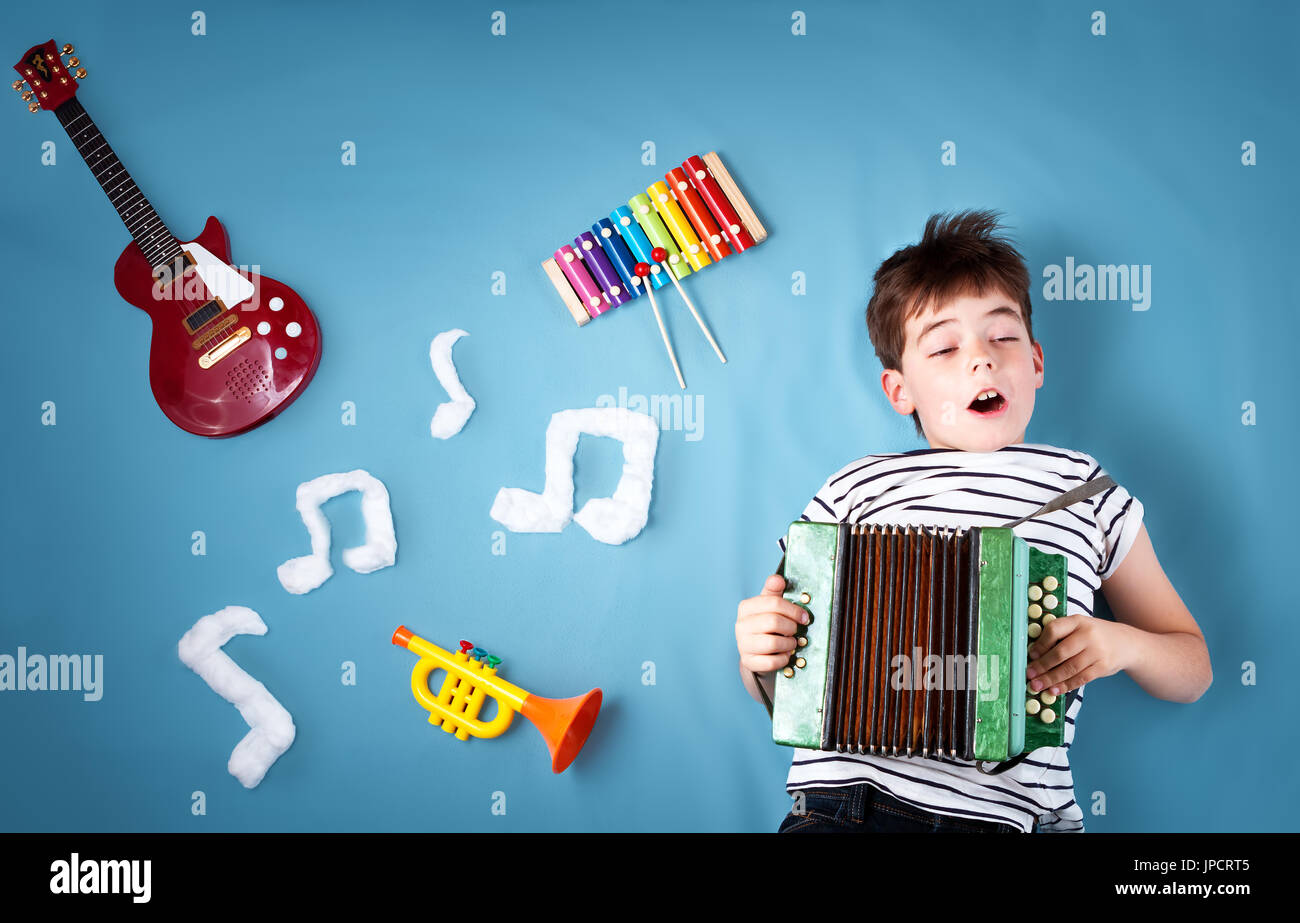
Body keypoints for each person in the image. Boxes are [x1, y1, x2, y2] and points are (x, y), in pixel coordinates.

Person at [735, 210, 1212, 833]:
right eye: (944, 347)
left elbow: (1193, 670)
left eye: (1003, 337)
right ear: (900, 391)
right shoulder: (854, 487)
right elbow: (775, 679)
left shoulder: (1085, 488)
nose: (981, 360)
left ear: (1036, 363)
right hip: (846, 807)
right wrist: (757, 654)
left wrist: (1122, 645)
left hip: (1006, 819)